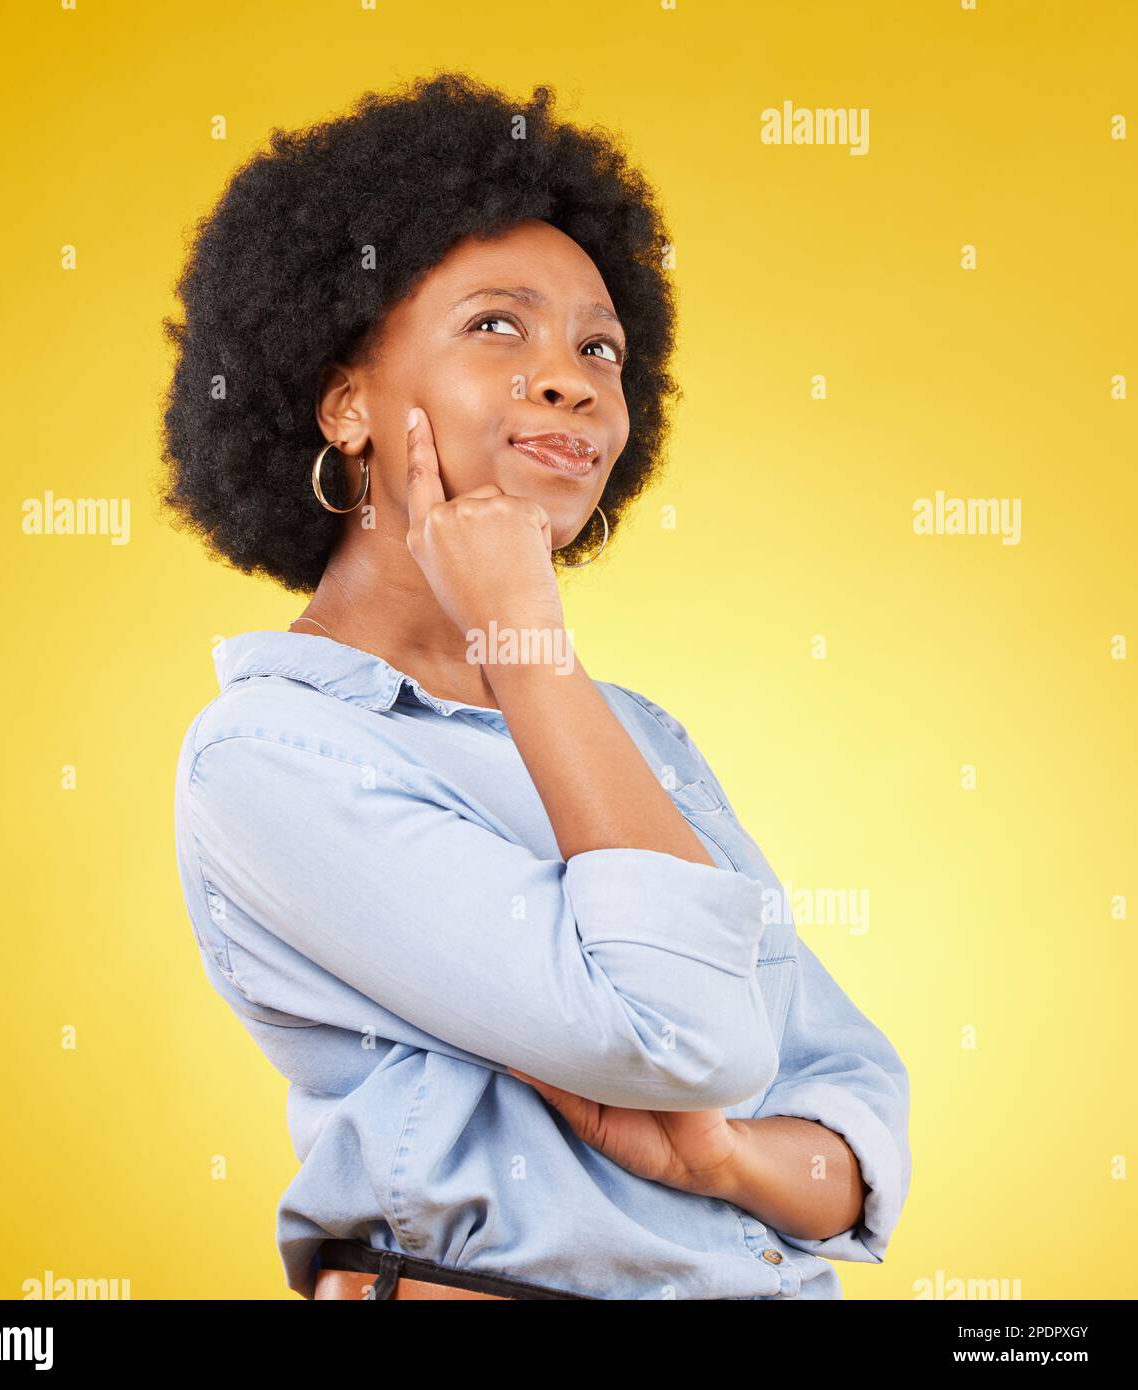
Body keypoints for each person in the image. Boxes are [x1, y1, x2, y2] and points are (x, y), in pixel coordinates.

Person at [164, 70, 911, 1300]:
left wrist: (727, 1159)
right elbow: (689, 1036)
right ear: (346, 398)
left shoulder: (633, 735)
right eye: (496, 326)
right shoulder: (270, 756)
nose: (571, 377)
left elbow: (851, 1107)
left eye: (600, 347)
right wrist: (522, 627)